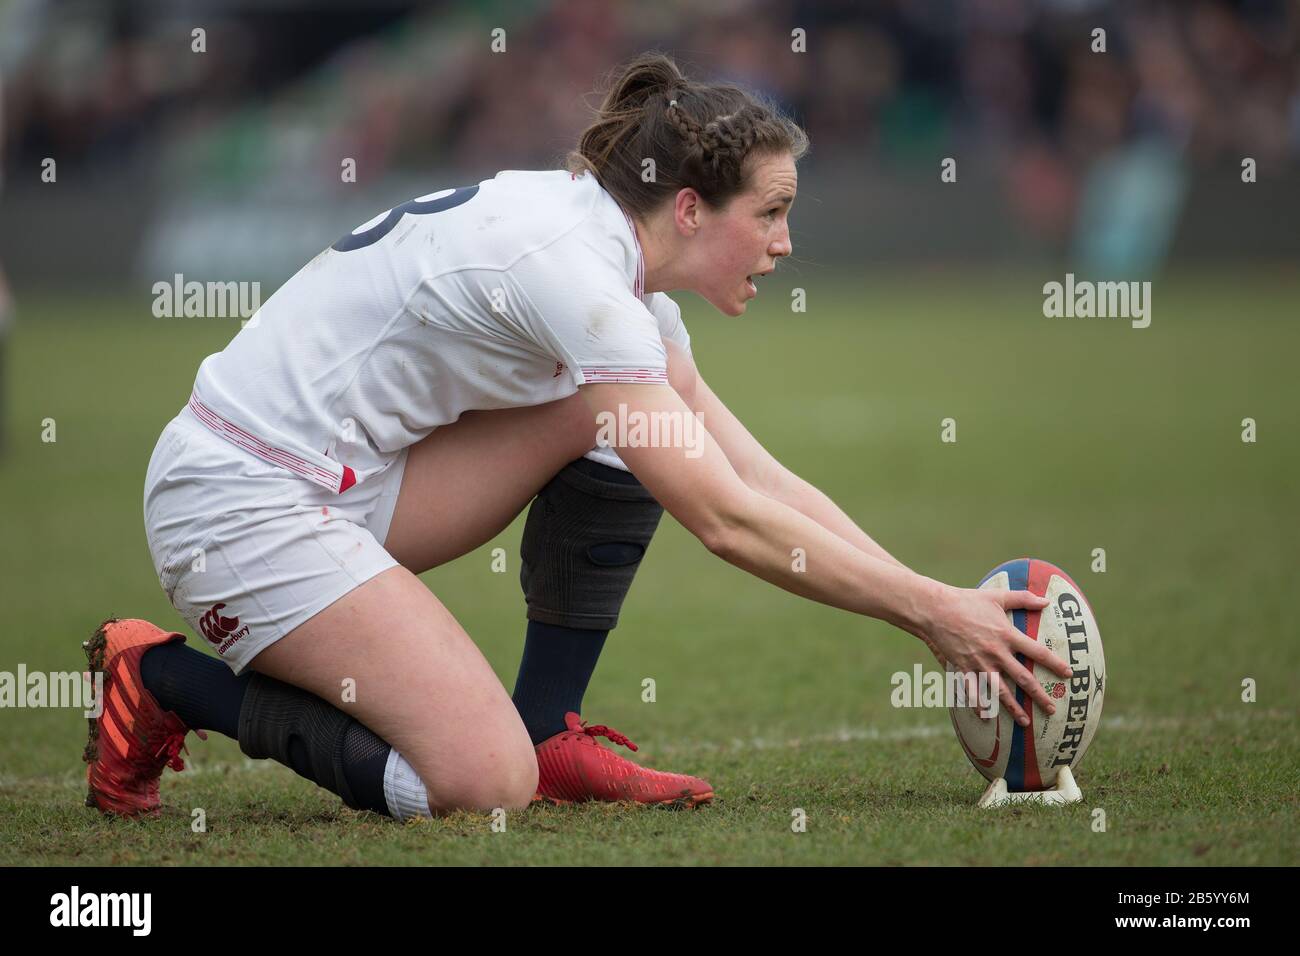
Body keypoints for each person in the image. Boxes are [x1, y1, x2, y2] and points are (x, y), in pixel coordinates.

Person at [84, 52, 1069, 820]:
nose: (784, 243)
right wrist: (928, 615)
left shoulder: (620, 282)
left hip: (344, 484)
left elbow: (749, 471)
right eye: (770, 214)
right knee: (478, 784)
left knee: (621, 422)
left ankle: (549, 724)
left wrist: (942, 602)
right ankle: (159, 676)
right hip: (235, 503)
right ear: (690, 207)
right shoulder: (581, 279)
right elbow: (724, 519)